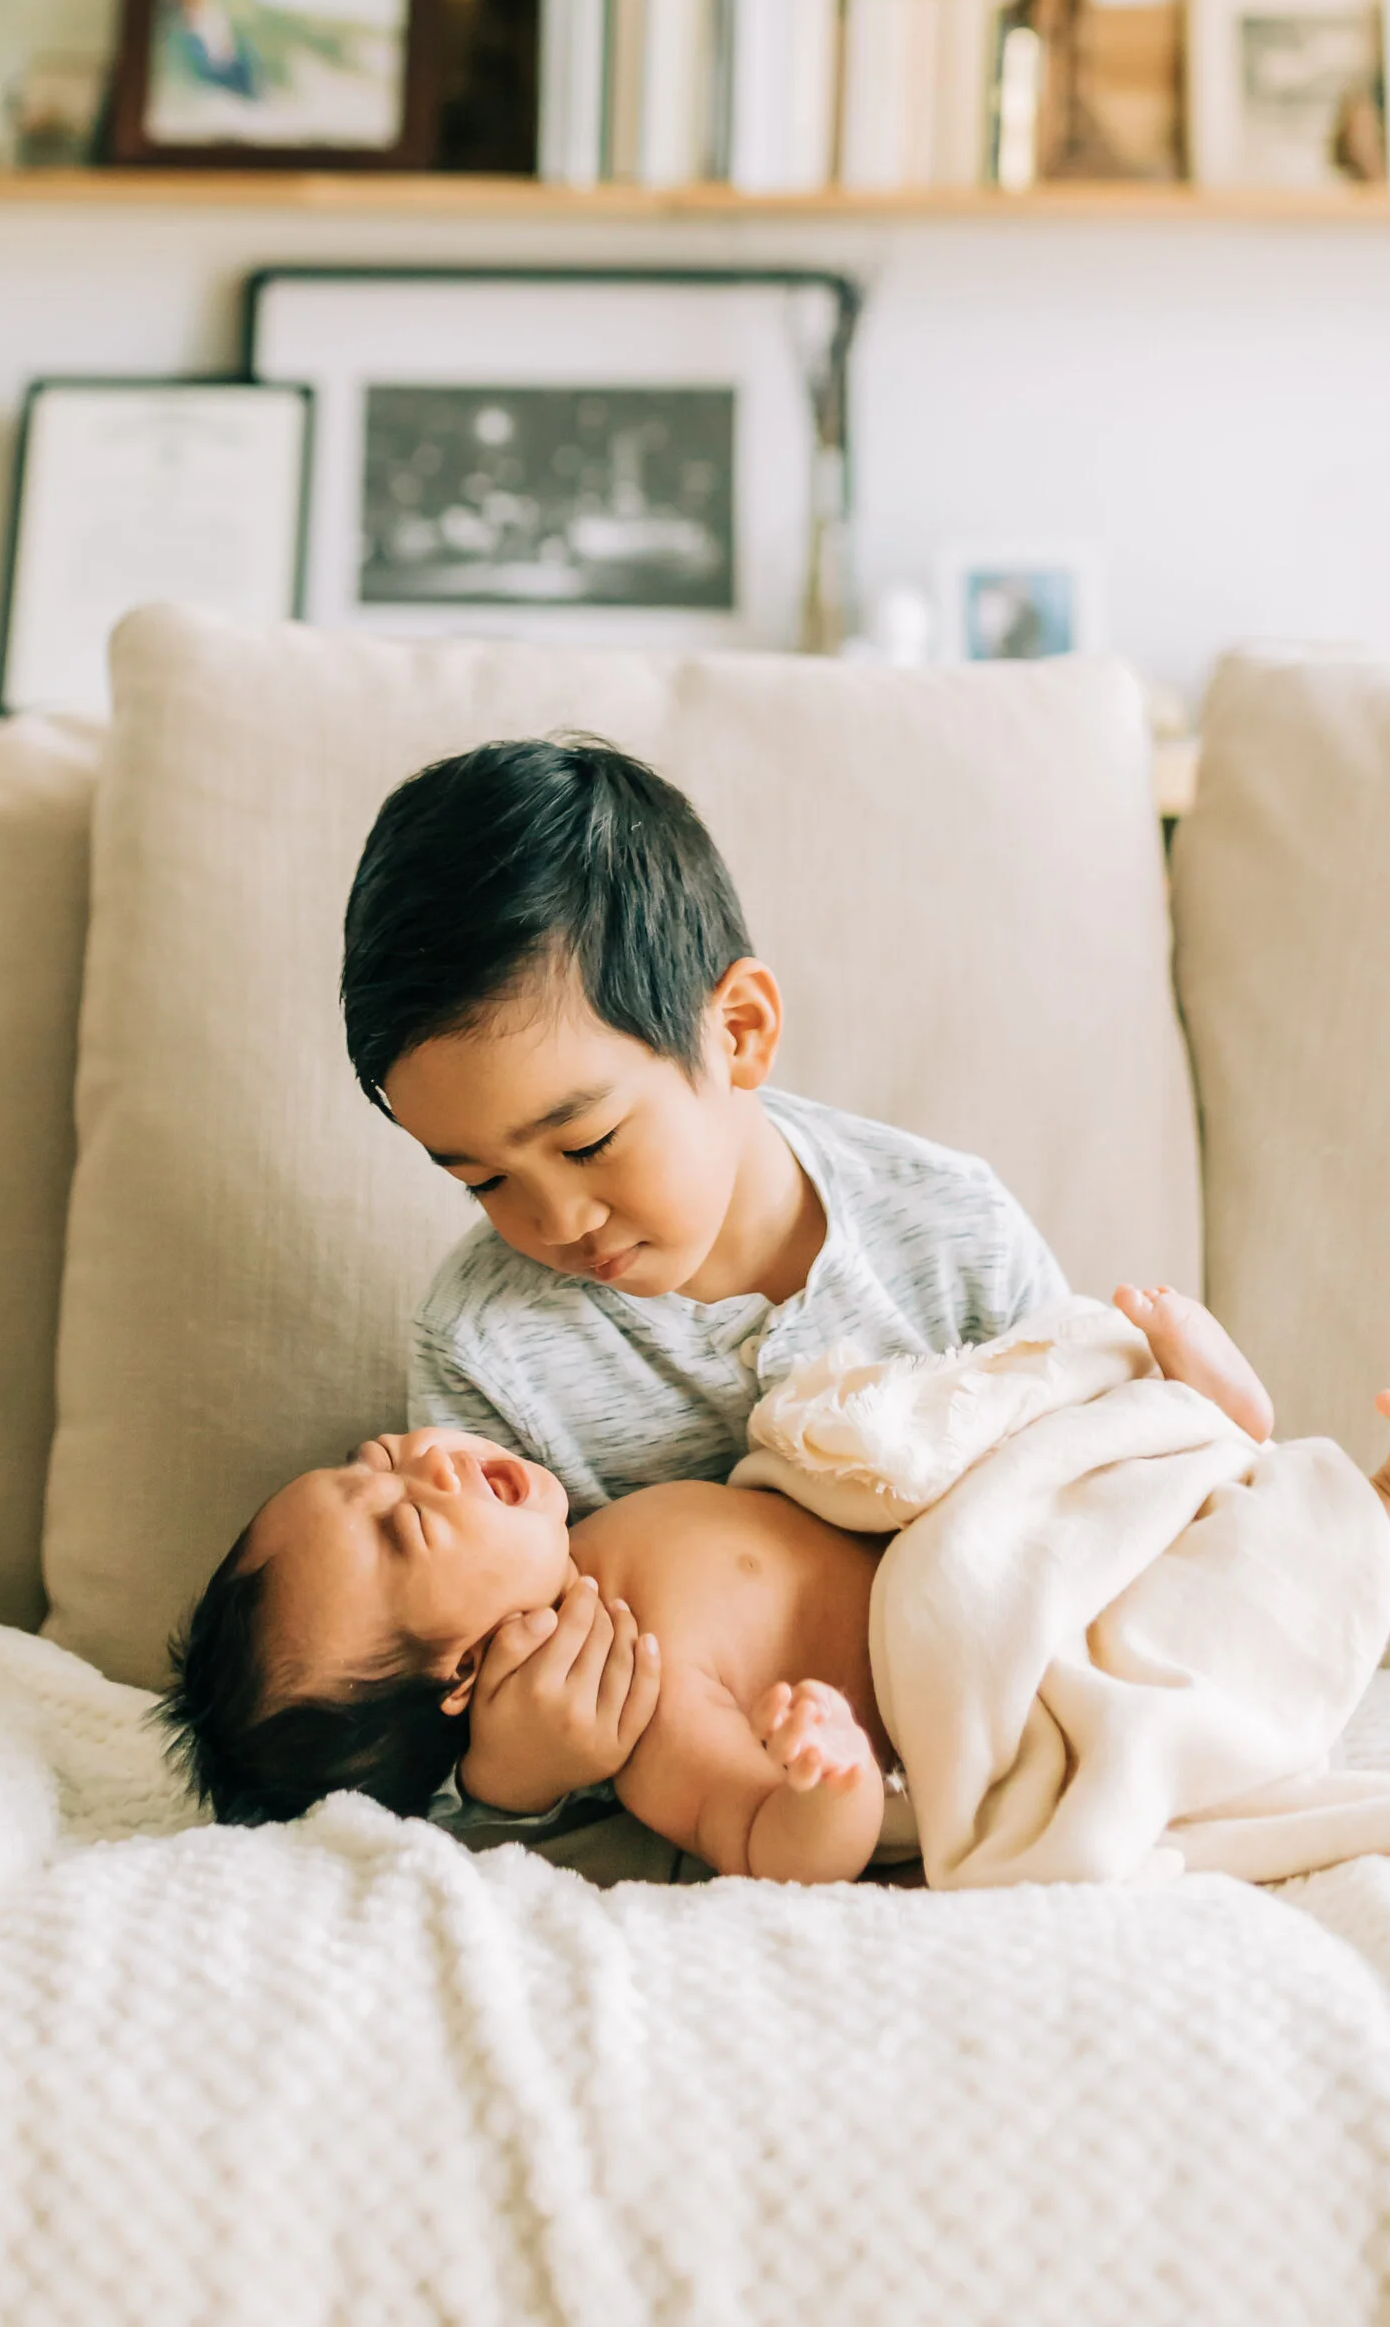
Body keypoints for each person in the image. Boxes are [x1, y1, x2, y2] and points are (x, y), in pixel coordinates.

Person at [316, 734, 1271, 1824]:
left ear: (739, 1032)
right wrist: (508, 1775)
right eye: (483, 1179)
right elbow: (448, 1659)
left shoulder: (945, 1226)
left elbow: (1084, 1485)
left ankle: (1242, 1442)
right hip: (755, 1786)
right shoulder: (484, 1343)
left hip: (1021, 1673)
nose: (555, 1221)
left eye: (585, 1146)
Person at [161, 1384, 1390, 1881]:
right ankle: (1374, 1523)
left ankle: (1241, 1441)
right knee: (1194, 1592)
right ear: (460, 1673)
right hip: (985, 1649)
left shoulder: (602, 1537)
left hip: (1009, 1538)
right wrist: (827, 1776)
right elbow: (763, 1841)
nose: (429, 1462)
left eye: (381, 1457)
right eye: (400, 1527)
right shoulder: (644, 1715)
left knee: (1160, 1500)